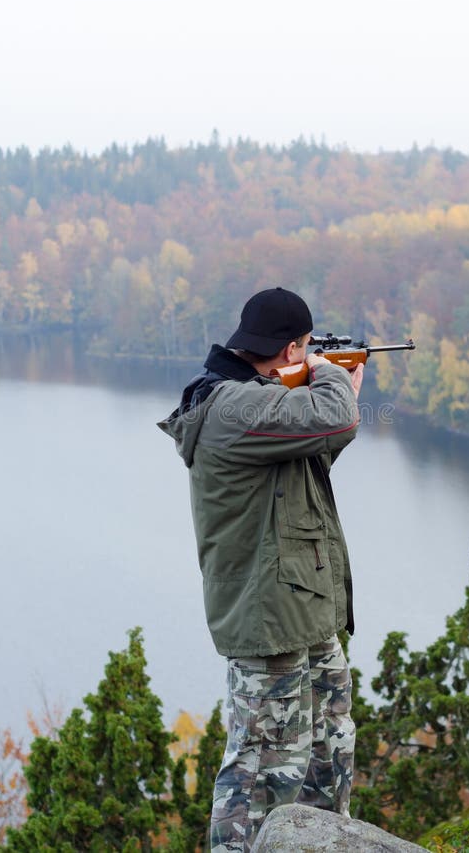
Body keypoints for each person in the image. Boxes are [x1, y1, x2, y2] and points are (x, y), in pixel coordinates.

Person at [158, 287, 363, 852]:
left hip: (302, 607)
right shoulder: (231, 404)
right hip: (268, 611)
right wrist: (330, 378)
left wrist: (331, 394)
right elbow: (335, 418)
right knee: (262, 767)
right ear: (293, 347)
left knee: (328, 745)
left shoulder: (255, 399)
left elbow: (308, 457)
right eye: (305, 349)